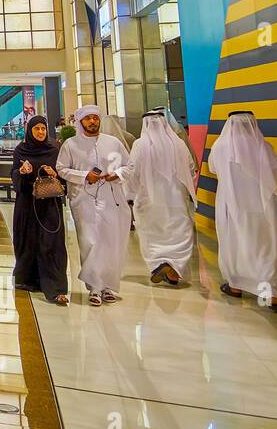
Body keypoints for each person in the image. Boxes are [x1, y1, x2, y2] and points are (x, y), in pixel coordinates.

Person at [56, 105, 133, 306]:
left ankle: (108, 286)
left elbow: (130, 165)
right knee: (89, 242)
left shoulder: (113, 143)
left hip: (111, 198)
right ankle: (94, 288)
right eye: (88, 118)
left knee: (109, 242)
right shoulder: (71, 144)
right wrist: (84, 176)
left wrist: (117, 174)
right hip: (83, 200)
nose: (92, 122)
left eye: (95, 118)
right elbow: (61, 169)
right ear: (80, 122)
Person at [208, 110, 277, 311]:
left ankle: (235, 285)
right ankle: (269, 293)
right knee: (264, 246)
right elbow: (275, 174)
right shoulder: (264, 147)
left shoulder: (220, 146)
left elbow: (213, 169)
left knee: (234, 242)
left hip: (231, 205)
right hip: (262, 207)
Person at [129, 108, 198, 286]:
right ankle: (174, 270)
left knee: (153, 233)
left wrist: (130, 194)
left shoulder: (140, 144)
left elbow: (133, 171)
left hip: (149, 198)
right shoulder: (178, 143)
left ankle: (160, 262)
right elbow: (191, 168)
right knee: (178, 232)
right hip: (177, 199)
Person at [10, 115, 69, 305]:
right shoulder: (21, 149)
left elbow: (64, 176)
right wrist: (21, 172)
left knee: (51, 244)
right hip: (27, 204)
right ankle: (28, 280)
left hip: (49, 205)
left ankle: (55, 288)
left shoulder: (54, 150)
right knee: (28, 241)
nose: (41, 133)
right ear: (30, 131)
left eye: (43, 129)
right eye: (37, 129)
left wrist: (56, 174)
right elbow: (14, 174)